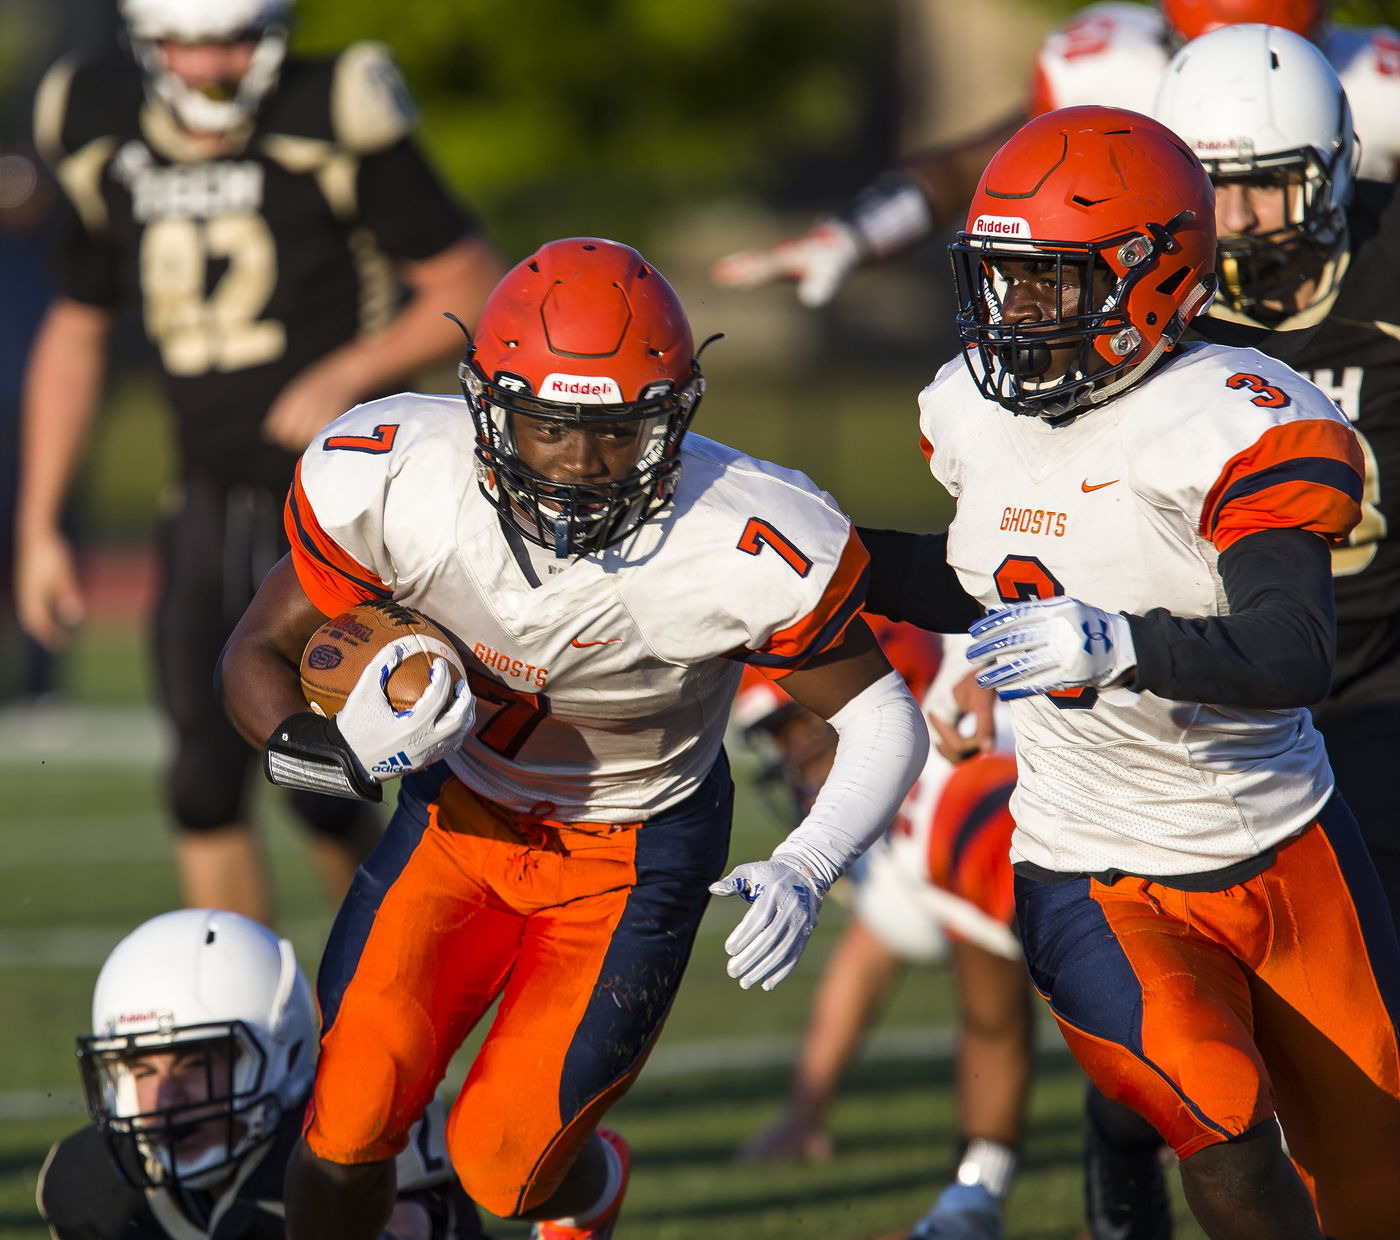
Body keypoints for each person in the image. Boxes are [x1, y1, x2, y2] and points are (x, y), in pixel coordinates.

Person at [217, 238, 930, 1240]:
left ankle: (586, 1193)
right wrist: (320, 750)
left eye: (617, 430)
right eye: (547, 424)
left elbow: (881, 713)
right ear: (486, 405)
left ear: (672, 417)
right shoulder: (393, 479)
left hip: (630, 853)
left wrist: (808, 863)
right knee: (346, 1126)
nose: (580, 463)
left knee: (503, 1167)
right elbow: (255, 648)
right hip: (458, 821)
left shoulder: (735, 535)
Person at [856, 104, 1400, 1238]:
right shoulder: (967, 408)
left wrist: (1117, 644)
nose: (1016, 312)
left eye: (1050, 281)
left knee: (1370, 1180)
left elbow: (1293, 646)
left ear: (1151, 278)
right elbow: (985, 574)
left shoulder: (1232, 418)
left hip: (1287, 848)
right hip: (1093, 869)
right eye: (1002, 277)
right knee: (1219, 1110)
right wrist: (827, 555)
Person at [16, 0, 504, 922]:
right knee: (201, 781)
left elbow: (473, 280)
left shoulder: (331, 109)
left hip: (333, 506)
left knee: (328, 784)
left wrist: (353, 370)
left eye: (234, 39)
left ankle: (380, 990)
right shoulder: (97, 124)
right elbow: (75, 334)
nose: (212, 66)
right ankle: (243, 1032)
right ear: (149, 44)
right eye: (191, 42)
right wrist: (40, 525)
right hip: (201, 493)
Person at [711, 0, 1400, 309]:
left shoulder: (1379, 86)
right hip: (1169, 315)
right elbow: (973, 168)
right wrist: (856, 233)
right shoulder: (1106, 69)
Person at [734, 622, 1030, 1240]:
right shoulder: (913, 794)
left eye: (800, 725)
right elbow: (879, 947)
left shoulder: (955, 777)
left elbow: (1111, 973)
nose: (793, 757)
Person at [38, 908, 487, 1240]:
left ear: (284, 1054)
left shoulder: (347, 1124)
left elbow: (401, 1230)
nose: (163, 1100)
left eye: (195, 1066)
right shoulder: (98, 1187)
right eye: (139, 1069)